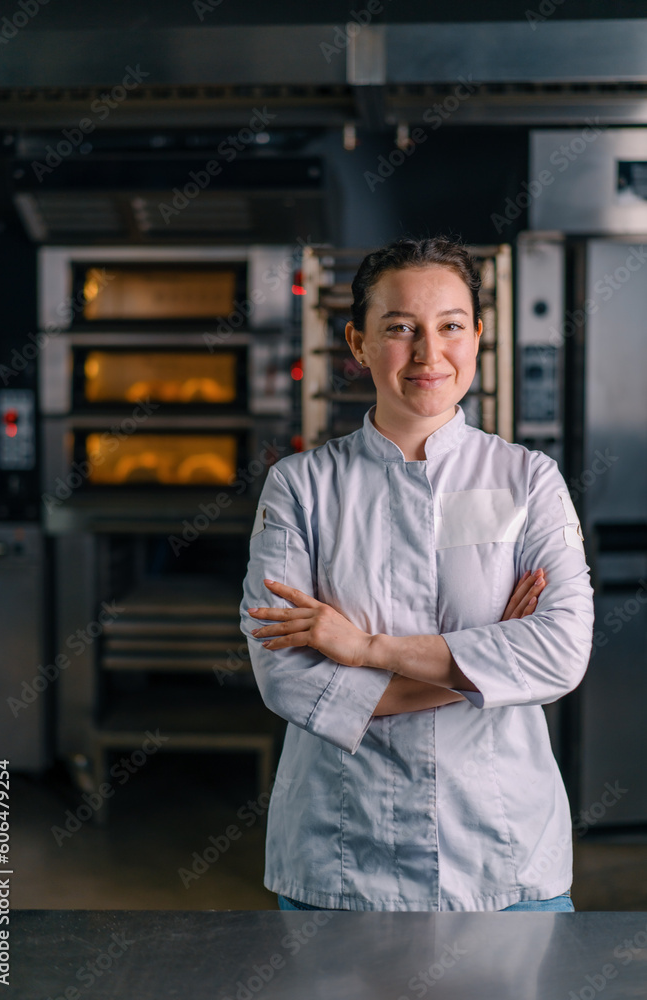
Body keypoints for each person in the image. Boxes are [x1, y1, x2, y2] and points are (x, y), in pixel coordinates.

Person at [239, 234, 594, 912]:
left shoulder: (526, 479)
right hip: (340, 853)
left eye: (450, 327)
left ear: (477, 336)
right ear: (357, 343)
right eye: (399, 329)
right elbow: (286, 677)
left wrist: (364, 650)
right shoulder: (300, 488)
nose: (429, 354)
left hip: (502, 850)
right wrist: (488, 658)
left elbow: (559, 653)